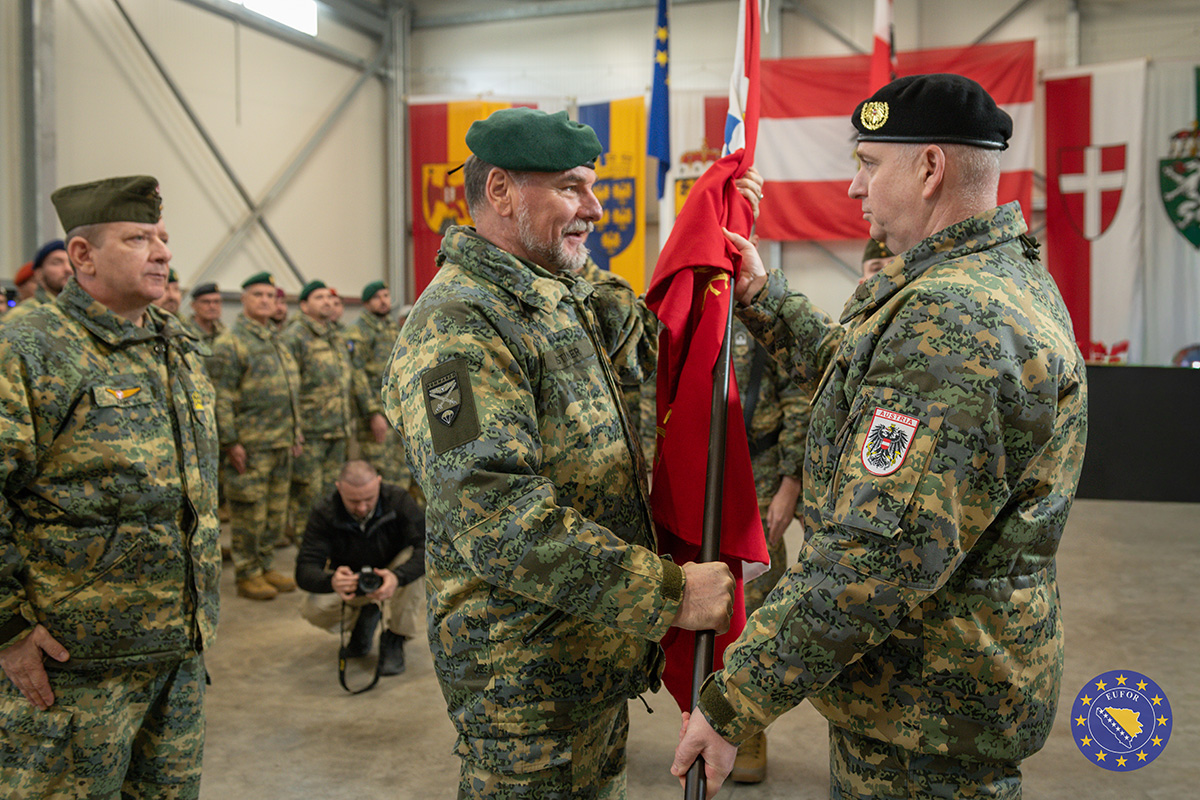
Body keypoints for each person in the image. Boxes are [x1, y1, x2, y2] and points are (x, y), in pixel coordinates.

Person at [672, 73, 1090, 799]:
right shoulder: (992, 279)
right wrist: (764, 301)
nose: (852, 187)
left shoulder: (953, 318)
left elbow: (873, 556)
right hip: (938, 698)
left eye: (868, 163)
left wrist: (732, 701)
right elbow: (861, 379)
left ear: (929, 169)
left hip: (925, 720)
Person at [383, 107, 736, 798]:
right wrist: (670, 596)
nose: (595, 209)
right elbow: (497, 520)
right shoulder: (457, 326)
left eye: (591, 187)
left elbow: (662, 335)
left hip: (590, 656)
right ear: (502, 191)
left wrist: (721, 248)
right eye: (572, 187)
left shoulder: (560, 294)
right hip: (524, 684)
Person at [0, 175, 220, 797]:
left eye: (163, 237)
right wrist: (7, 631)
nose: (161, 252)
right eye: (137, 237)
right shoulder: (30, 349)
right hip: (74, 668)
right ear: (82, 256)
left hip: (176, 654)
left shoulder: (178, 347)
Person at [209, 272, 303, 600]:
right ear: (244, 300)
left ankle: (265, 564)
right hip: (250, 444)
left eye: (271, 296)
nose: (266, 301)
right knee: (249, 511)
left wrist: (296, 432)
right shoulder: (230, 343)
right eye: (258, 295)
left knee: (275, 512)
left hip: (280, 440)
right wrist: (230, 442)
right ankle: (247, 572)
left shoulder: (276, 338)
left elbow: (291, 392)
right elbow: (220, 396)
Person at [294, 460, 425, 677]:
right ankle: (365, 617)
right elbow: (305, 568)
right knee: (312, 609)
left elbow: (428, 546)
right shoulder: (324, 511)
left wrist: (397, 577)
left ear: (379, 484)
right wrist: (332, 581)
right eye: (353, 501)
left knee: (416, 564)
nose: (362, 508)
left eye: (369, 499)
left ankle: (395, 637)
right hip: (352, 580)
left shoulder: (399, 500)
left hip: (392, 571)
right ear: (339, 488)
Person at [282, 280, 384, 542]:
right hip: (310, 432)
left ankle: (329, 547)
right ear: (304, 305)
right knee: (308, 497)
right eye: (319, 298)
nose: (327, 302)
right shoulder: (294, 336)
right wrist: (293, 430)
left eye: (329, 297)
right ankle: (309, 553)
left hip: (337, 429)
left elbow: (352, 378)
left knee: (331, 495)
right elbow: (287, 388)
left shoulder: (336, 335)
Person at [345, 281, 414, 492]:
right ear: (366, 303)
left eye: (386, 295)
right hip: (376, 413)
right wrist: (373, 413)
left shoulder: (392, 327)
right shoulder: (359, 332)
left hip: (398, 411)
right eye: (377, 297)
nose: (384, 301)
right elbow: (356, 375)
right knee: (380, 470)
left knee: (401, 470)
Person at [2, 239, 73, 325]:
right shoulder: (23, 315)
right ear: (39, 274)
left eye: (70, 263)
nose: (68, 269)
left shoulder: (80, 310)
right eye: (56, 263)